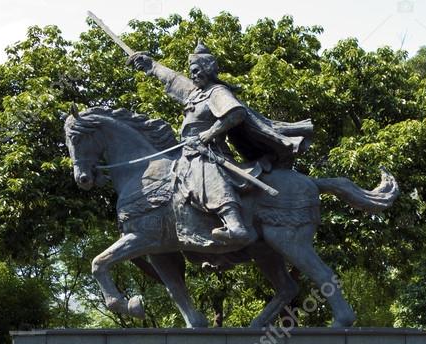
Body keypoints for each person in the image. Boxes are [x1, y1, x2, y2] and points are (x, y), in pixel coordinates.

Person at [128, 43, 313, 246]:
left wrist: (209, 133)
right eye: (191, 71)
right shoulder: (194, 93)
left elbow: (236, 113)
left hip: (208, 152)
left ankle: (234, 224)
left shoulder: (217, 91)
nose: (193, 75)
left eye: (197, 70)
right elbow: (172, 78)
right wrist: (150, 65)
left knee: (203, 173)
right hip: (187, 151)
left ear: (207, 69)